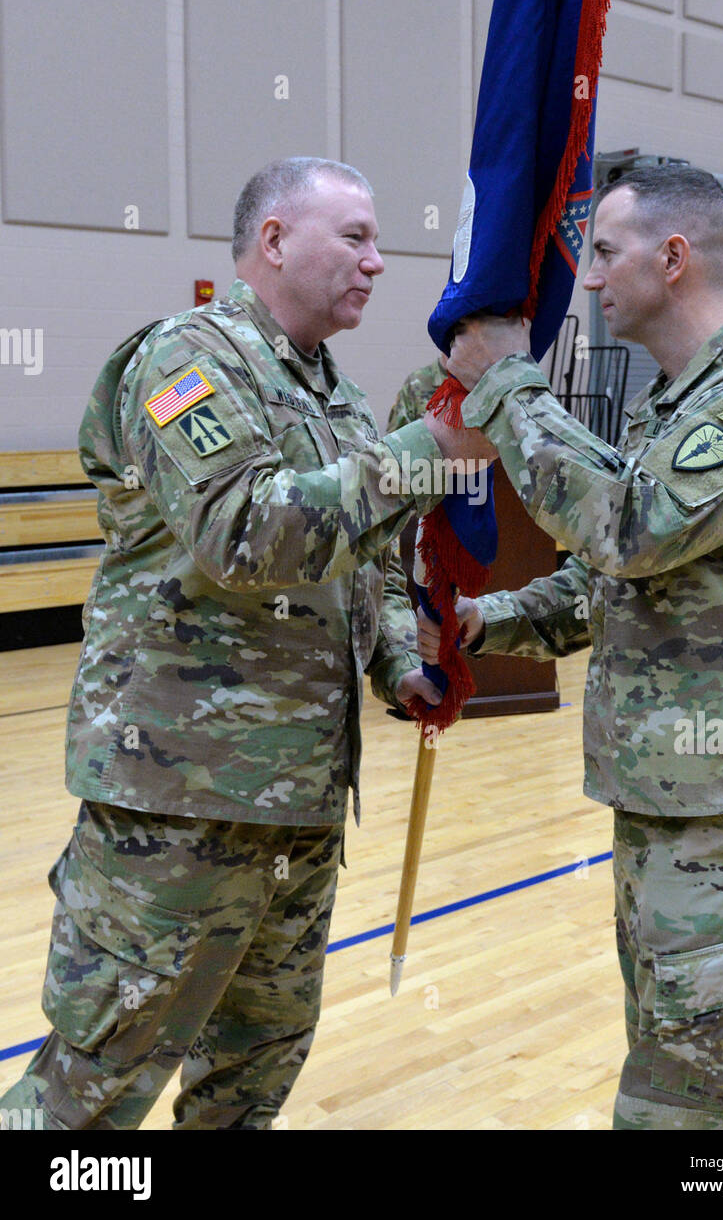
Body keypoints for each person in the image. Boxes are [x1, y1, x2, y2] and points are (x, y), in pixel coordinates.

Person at [0, 156, 491, 1131]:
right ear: (274, 239)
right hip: (179, 810)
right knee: (95, 1088)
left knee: (252, 1076)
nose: (377, 261)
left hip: (298, 809)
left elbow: (368, 564)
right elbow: (248, 532)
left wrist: (400, 662)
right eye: (354, 237)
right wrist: (429, 451)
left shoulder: (337, 398)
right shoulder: (185, 361)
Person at [419, 166, 723, 1130]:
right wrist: (486, 620)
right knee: (695, 1096)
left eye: (607, 252)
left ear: (674, 257)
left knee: (693, 1111)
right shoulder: (677, 401)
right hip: (670, 806)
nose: (591, 275)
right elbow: (614, 582)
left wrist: (508, 384)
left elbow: (629, 528)